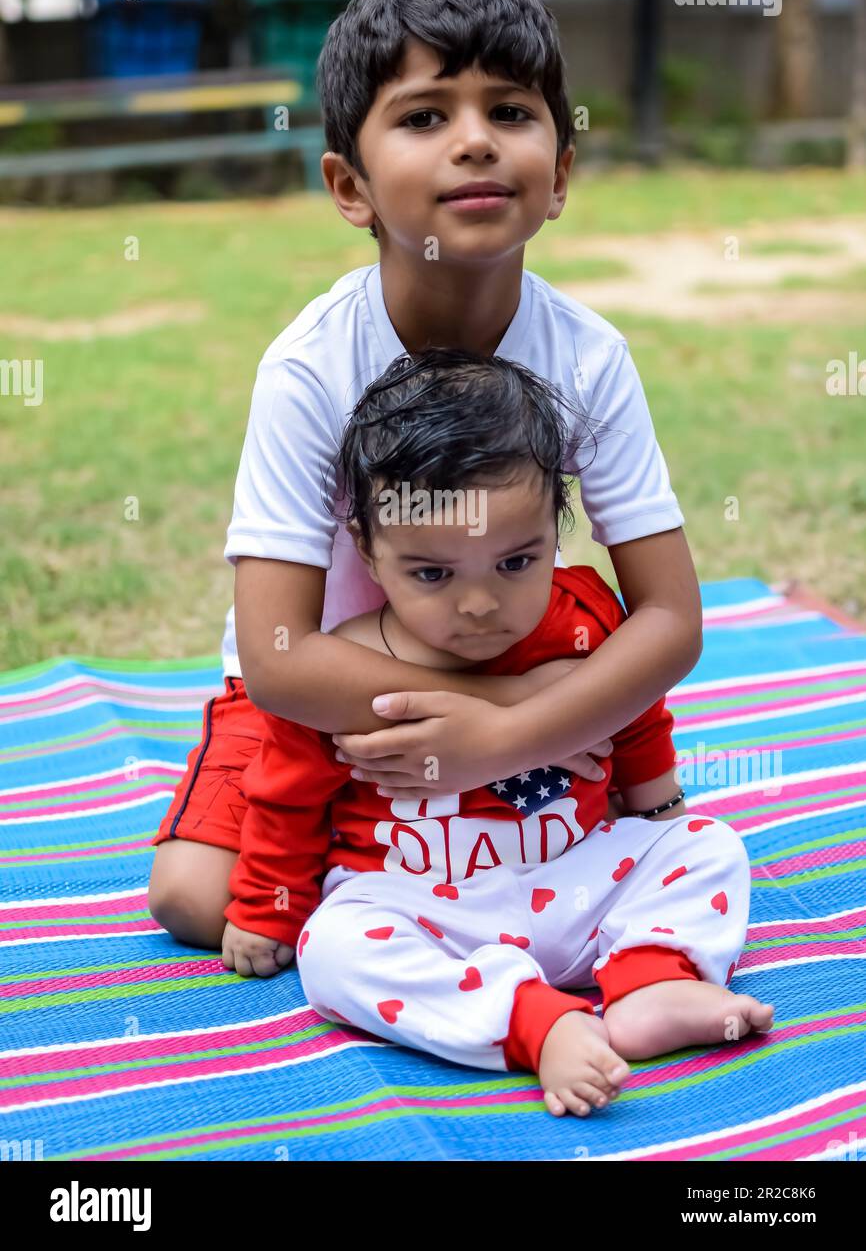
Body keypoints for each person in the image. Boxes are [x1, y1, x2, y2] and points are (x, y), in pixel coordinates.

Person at [149, 0, 704, 968]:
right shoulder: (310, 369)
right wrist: (507, 719)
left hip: (534, 669)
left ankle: (427, 884)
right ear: (348, 188)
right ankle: (413, 881)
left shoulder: (588, 358)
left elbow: (668, 619)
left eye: (508, 110)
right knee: (197, 893)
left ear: (561, 171)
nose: (475, 142)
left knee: (661, 853)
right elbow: (276, 652)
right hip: (337, 699)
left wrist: (498, 737)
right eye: (423, 118)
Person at [220, 350, 774, 1120]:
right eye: (434, 575)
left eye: (516, 561)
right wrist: (264, 906)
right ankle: (530, 1024)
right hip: (421, 905)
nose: (480, 604)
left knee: (708, 845)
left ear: (557, 526)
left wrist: (657, 810)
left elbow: (636, 715)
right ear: (368, 547)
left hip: (575, 877)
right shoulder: (347, 666)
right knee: (335, 952)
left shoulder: (584, 619)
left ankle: (652, 980)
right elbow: (286, 790)